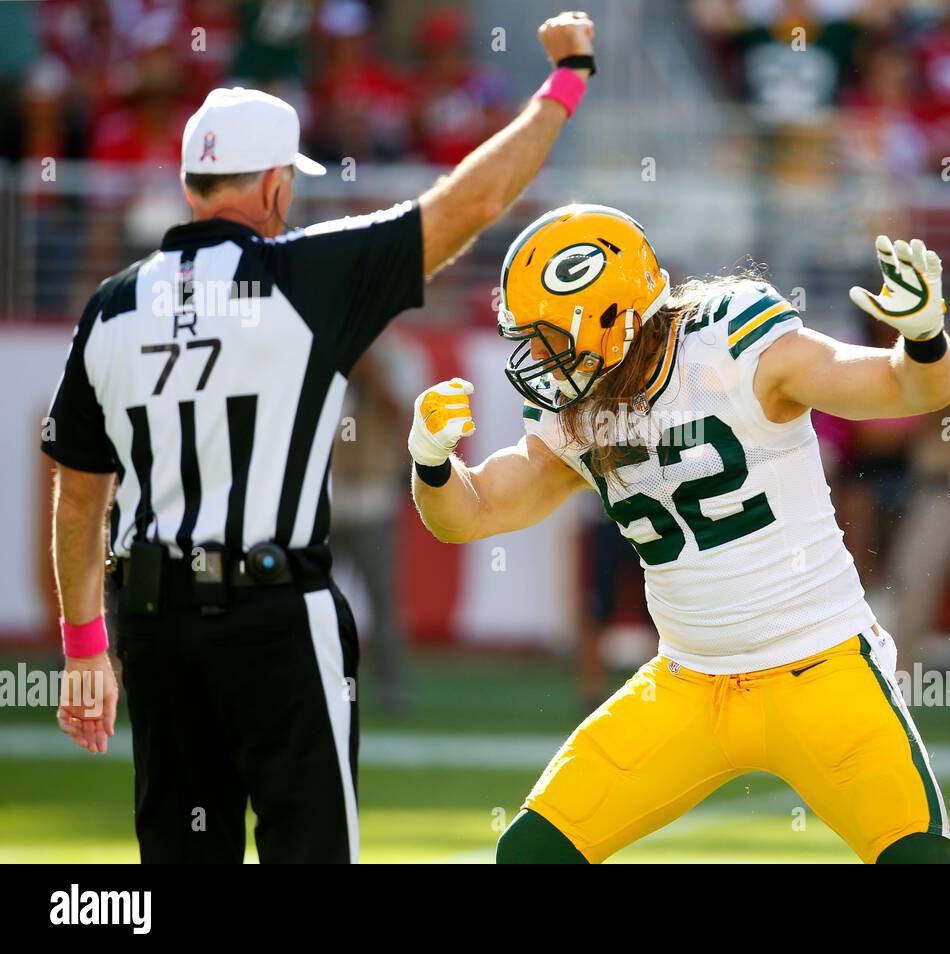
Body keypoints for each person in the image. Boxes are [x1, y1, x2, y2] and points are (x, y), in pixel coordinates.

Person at [43, 11, 599, 863]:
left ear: (193, 181)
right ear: (272, 187)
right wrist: (566, 80)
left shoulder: (111, 304)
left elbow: (80, 490)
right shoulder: (304, 275)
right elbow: (474, 202)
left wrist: (86, 648)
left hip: (151, 621)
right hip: (273, 612)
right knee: (311, 850)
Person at [408, 204, 950, 863]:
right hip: (689, 683)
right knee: (532, 854)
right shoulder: (578, 404)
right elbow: (470, 514)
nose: (539, 359)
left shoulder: (732, 342)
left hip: (821, 668)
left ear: (611, 317)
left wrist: (924, 338)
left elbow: (909, 390)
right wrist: (433, 464)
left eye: (551, 337)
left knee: (920, 860)